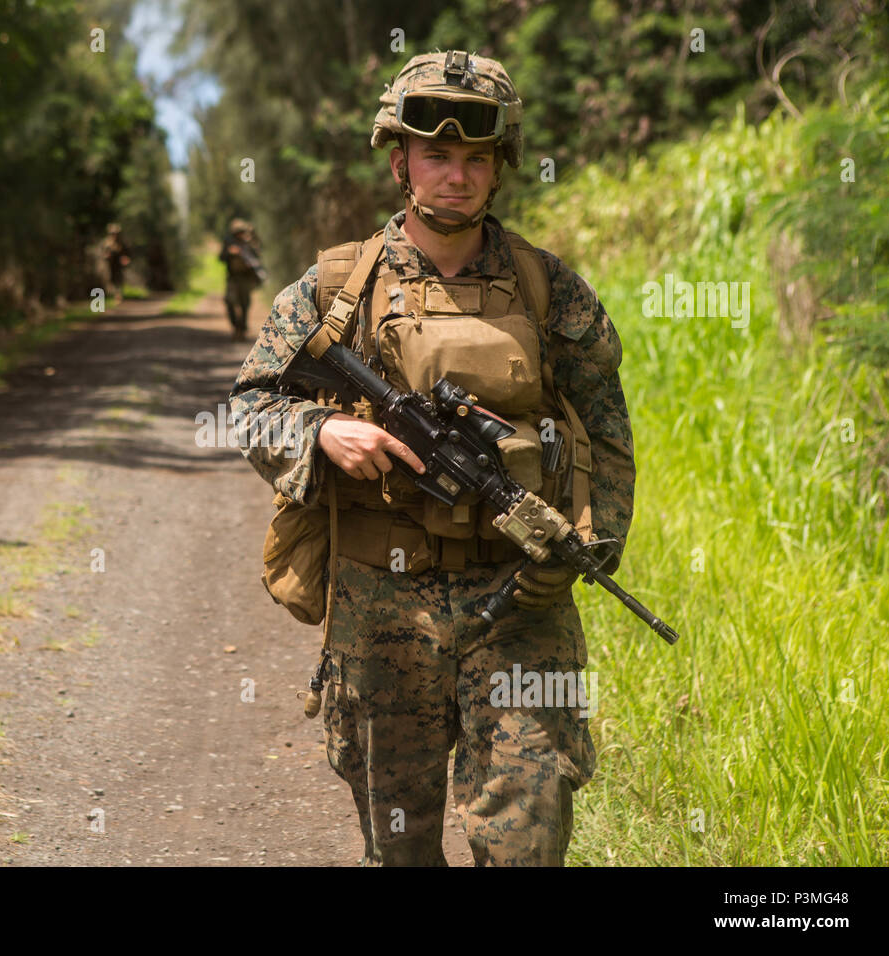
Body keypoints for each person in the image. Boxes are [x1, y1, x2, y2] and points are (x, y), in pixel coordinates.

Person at [228, 50, 636, 866]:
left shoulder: (550, 290)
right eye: (437, 155)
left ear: (499, 167)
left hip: (523, 603)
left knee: (527, 835)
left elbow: (609, 435)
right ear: (399, 161)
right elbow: (249, 405)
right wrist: (318, 434)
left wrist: (588, 544)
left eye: (474, 159)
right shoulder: (335, 289)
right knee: (400, 849)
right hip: (383, 608)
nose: (456, 175)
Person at [219, 218, 265, 340]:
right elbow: (221, 258)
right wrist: (230, 253)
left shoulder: (248, 243)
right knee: (229, 301)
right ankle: (236, 327)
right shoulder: (229, 243)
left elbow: (257, 256)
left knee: (245, 304)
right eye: (237, 232)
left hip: (246, 278)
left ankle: (242, 328)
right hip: (233, 278)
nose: (239, 234)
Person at [102, 223, 131, 303]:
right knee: (111, 279)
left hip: (119, 264)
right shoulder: (106, 242)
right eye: (113, 233)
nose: (115, 235)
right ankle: (114, 294)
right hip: (110, 264)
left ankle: (118, 295)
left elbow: (127, 252)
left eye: (116, 233)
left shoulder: (122, 242)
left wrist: (126, 259)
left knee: (119, 279)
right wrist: (106, 256)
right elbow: (104, 253)